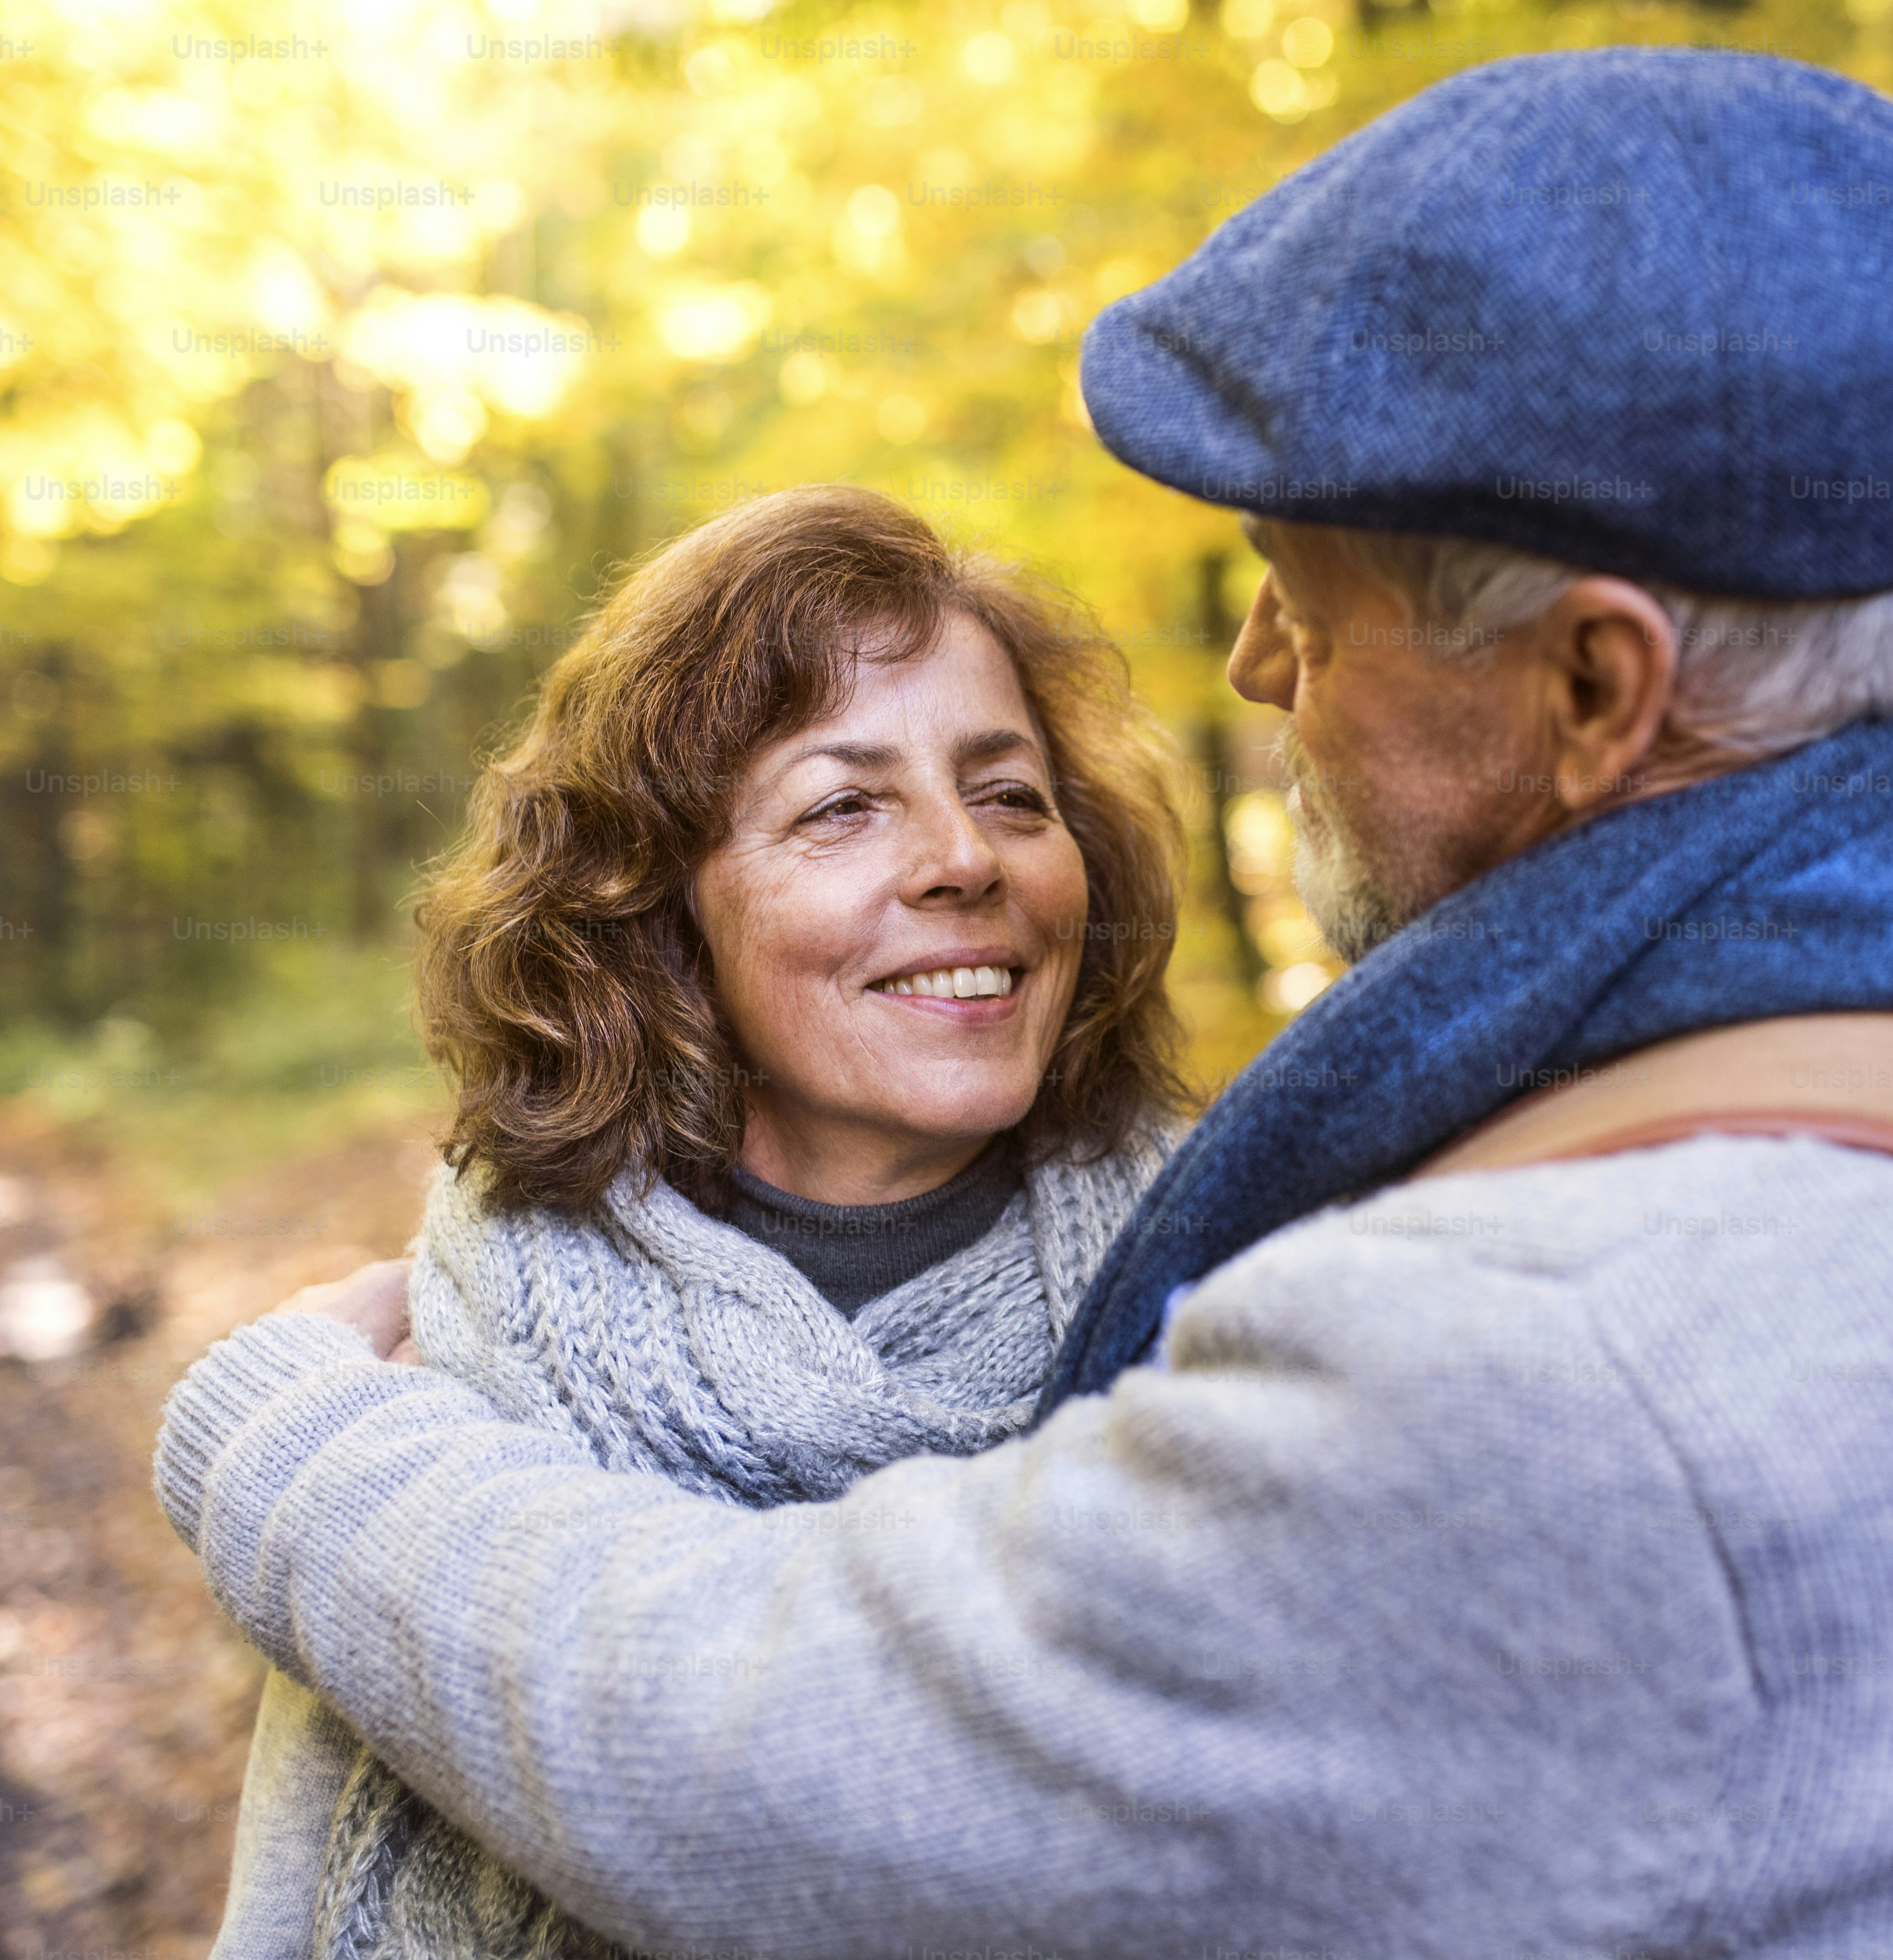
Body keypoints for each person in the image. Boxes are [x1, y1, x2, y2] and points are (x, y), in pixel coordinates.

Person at [159, 50, 1893, 1956]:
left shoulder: (1571, 1336)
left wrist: (299, 1450)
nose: (1260, 670)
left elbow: (818, 1781)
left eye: (1310, 606)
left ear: (1596, 691)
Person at [199, 485, 1187, 1959]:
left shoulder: (1227, 1291)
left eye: (1009, 794)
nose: (964, 858)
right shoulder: (467, 1341)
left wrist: (269, 1444)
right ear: (663, 915)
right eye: (844, 806)